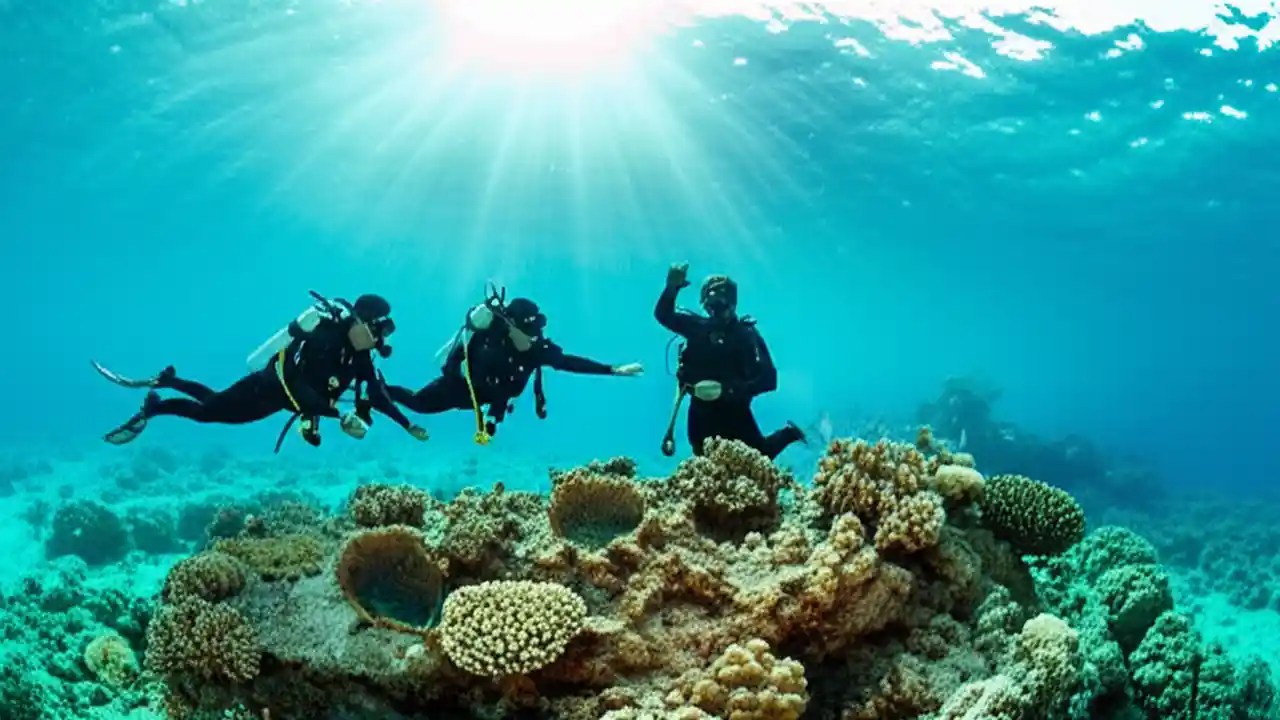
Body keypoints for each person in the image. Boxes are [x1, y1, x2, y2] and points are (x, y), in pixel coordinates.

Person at [96, 293, 429, 450]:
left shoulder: (361, 356)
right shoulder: (325, 337)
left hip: (277, 402)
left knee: (214, 404)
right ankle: (156, 406)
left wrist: (407, 424)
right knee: (208, 412)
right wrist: (336, 417)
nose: (379, 336)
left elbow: (376, 394)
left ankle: (169, 381)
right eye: (377, 328)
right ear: (362, 320)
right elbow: (299, 385)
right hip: (267, 387)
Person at [385, 289, 642, 442]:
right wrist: (453, 373)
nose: (534, 336)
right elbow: (457, 355)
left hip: (491, 397)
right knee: (418, 403)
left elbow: (569, 363)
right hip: (463, 388)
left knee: (496, 401)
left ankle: (492, 419)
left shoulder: (535, 350)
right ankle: (378, 390)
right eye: (529, 330)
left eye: (536, 331)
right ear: (512, 326)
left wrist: (612, 369)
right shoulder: (488, 335)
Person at [655, 263, 805, 459]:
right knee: (703, 458)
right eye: (712, 306)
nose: (718, 312)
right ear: (704, 305)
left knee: (757, 458)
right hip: (700, 410)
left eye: (723, 305)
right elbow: (663, 315)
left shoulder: (746, 335)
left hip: (735, 410)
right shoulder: (697, 327)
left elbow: (769, 380)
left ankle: (790, 434)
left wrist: (729, 390)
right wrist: (671, 288)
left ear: (733, 304)